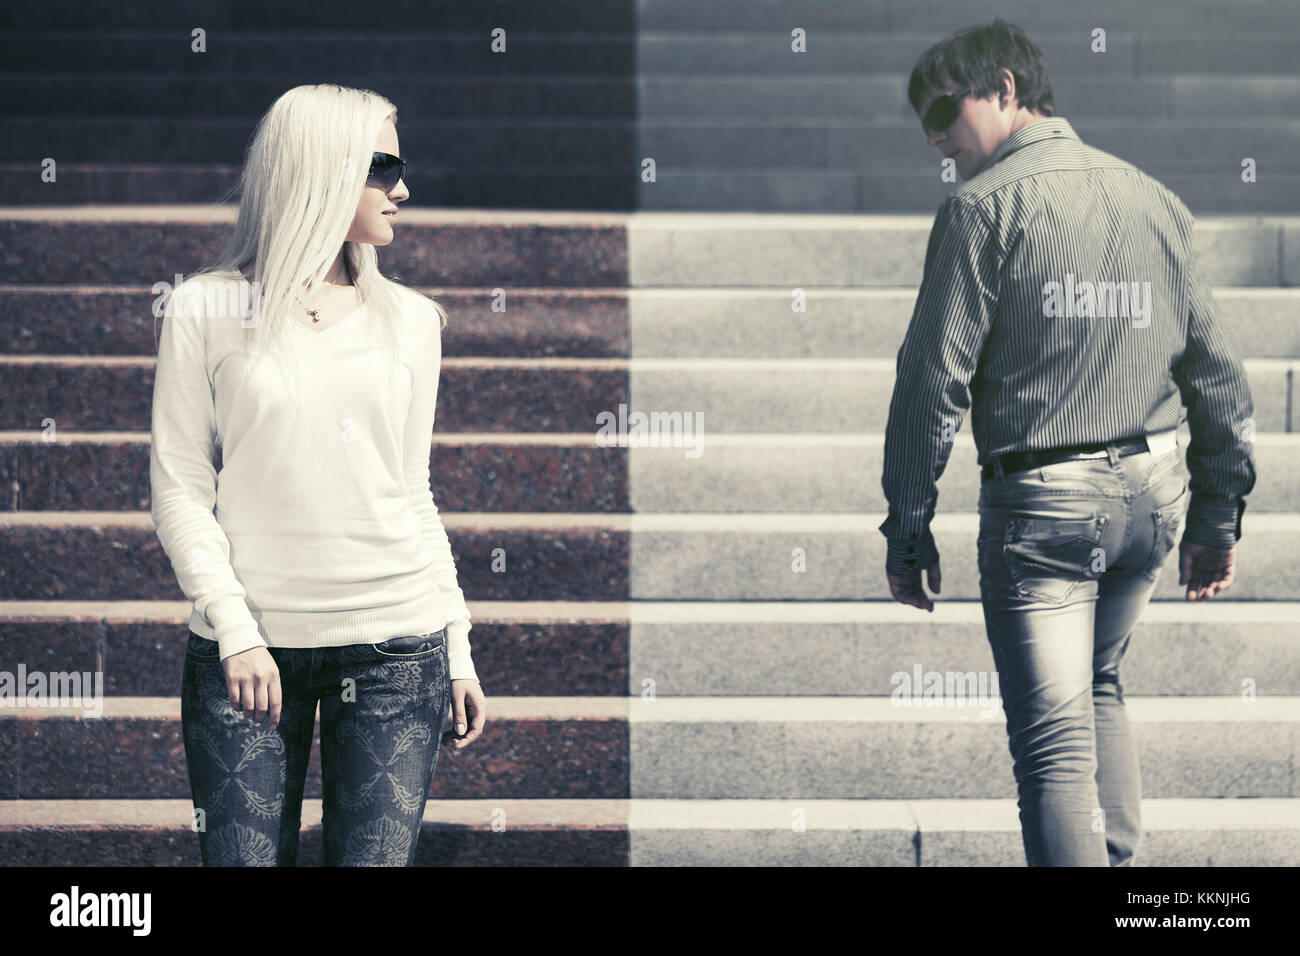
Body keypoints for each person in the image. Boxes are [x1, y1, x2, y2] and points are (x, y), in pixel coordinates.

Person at [877, 20, 1256, 866]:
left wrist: (907, 526)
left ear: (1006, 88)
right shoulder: (1153, 198)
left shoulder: (980, 211)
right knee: (1099, 684)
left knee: (1052, 745)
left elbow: (930, 382)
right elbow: (1220, 374)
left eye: (944, 109)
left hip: (1045, 505)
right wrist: (1217, 517)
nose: (935, 135)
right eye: (923, 123)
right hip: (1152, 496)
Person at [149, 84, 487, 866]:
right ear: (321, 168)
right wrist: (234, 630)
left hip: (398, 649)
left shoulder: (410, 320)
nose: (402, 190)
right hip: (245, 653)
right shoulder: (205, 309)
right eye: (384, 166)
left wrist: (457, 645)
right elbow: (179, 486)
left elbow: (411, 491)